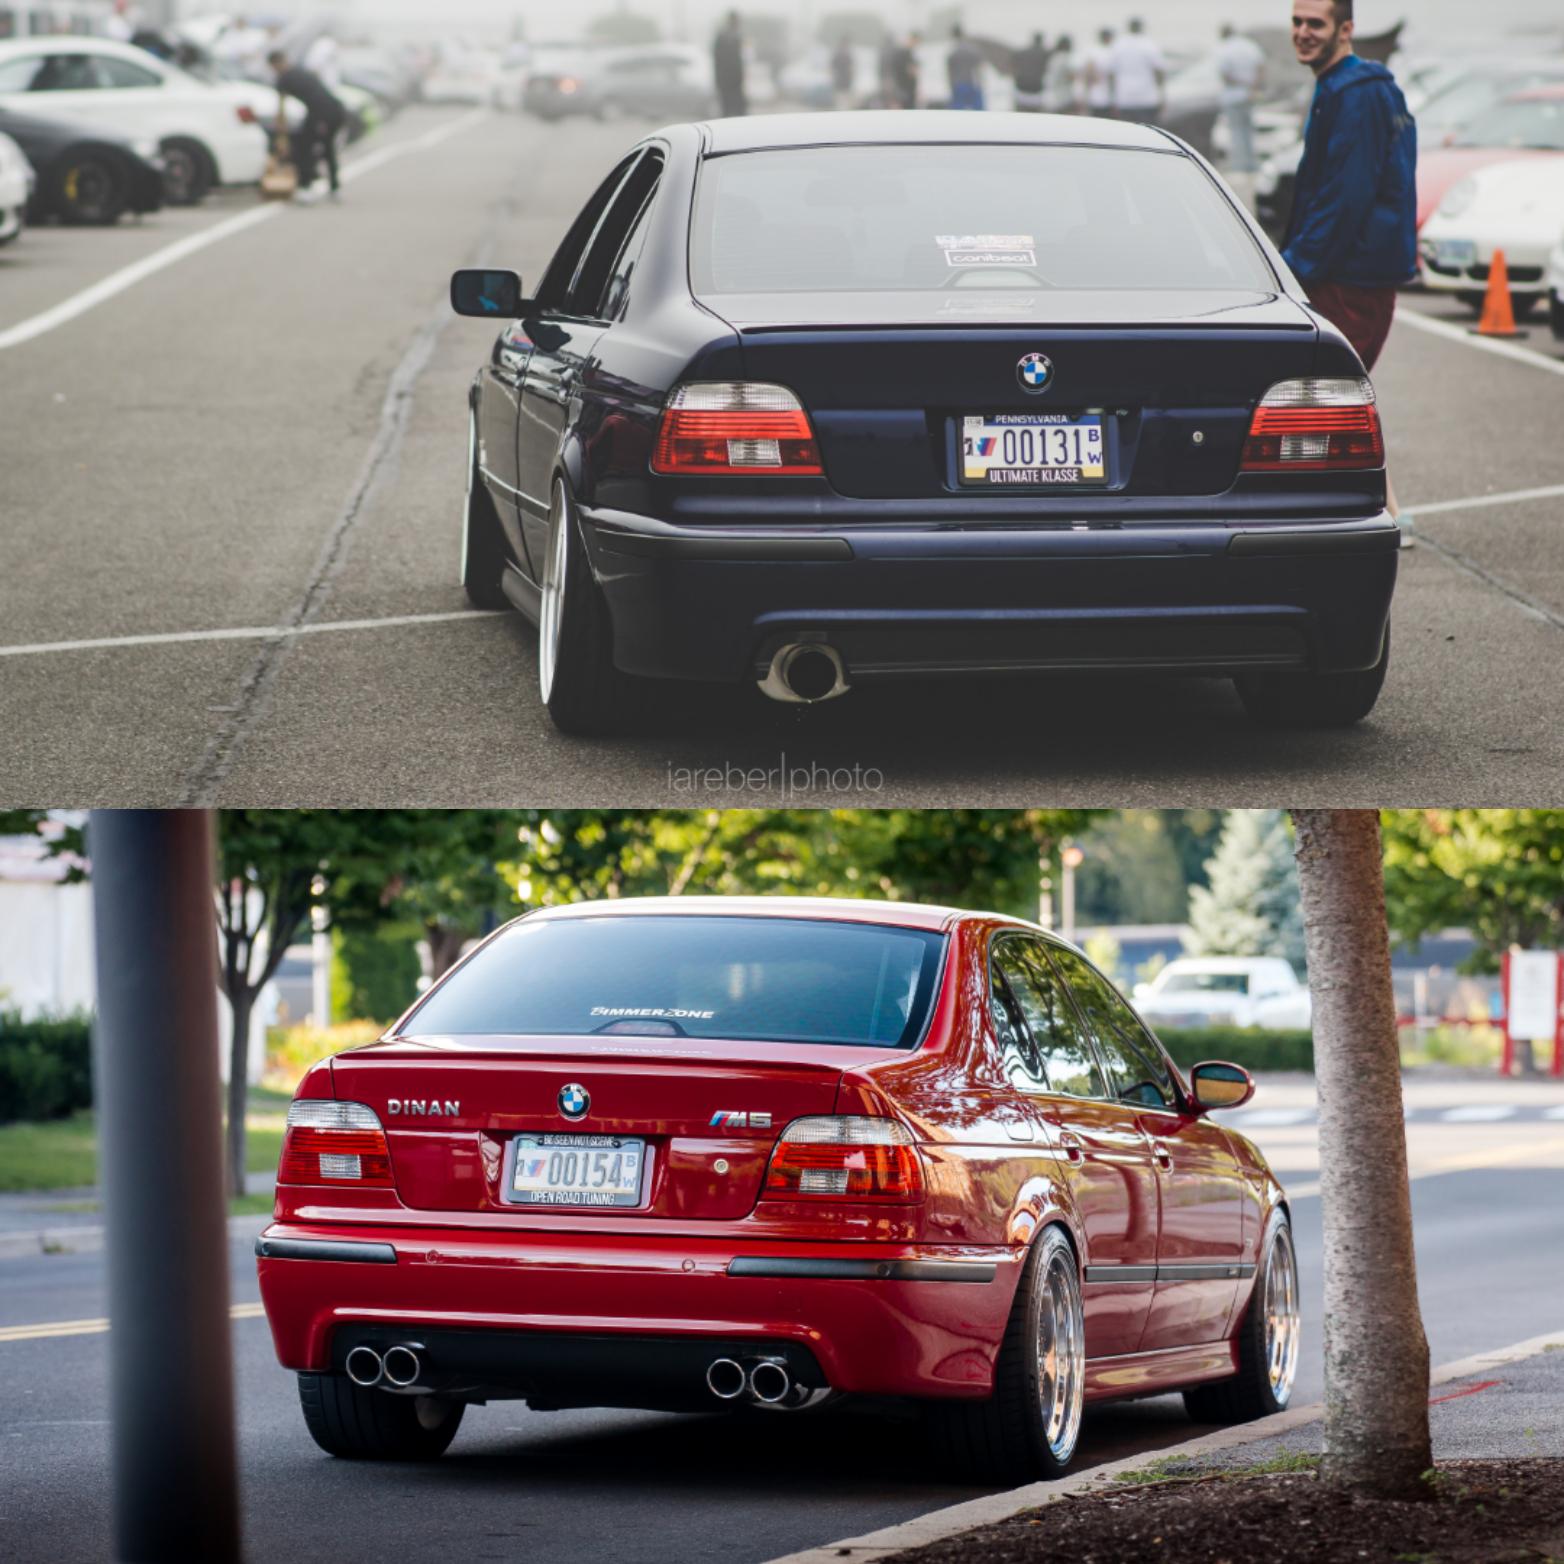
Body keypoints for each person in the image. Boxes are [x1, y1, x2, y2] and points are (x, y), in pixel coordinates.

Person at [1283, 0, 1417, 545]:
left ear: (1346, 29)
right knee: (1331, 394)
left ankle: (1383, 518)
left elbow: (1345, 197)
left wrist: (1291, 272)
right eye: (1296, 22)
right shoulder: (1344, 87)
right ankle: (1387, 510)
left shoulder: (1356, 93)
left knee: (1327, 395)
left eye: (1315, 24)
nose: (1302, 33)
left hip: (1352, 277)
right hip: (1353, 271)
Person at [269, 49, 346, 202]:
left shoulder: (284, 78)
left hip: (321, 115)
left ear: (274, 65)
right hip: (337, 110)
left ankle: (306, 187)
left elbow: (281, 107)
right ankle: (334, 188)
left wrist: (280, 131)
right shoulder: (301, 71)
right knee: (327, 149)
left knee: (304, 149)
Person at [1214, 24, 1267, 206]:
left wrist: (1242, 83)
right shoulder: (1249, 46)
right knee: (1248, 129)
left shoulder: (1225, 49)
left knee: (1236, 130)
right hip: (1250, 95)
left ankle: (1239, 164)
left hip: (1233, 95)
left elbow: (1224, 74)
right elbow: (1261, 66)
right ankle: (1251, 164)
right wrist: (1253, 86)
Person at [1107, 16, 1165, 121]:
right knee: (1148, 132)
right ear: (1141, 28)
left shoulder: (1118, 46)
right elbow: (1159, 72)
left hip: (1124, 98)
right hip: (1147, 98)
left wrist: (1112, 98)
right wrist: (1161, 96)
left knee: (1127, 133)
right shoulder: (1149, 45)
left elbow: (1111, 74)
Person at [713, 11, 748, 118]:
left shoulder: (737, 37)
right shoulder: (724, 37)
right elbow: (717, 59)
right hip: (727, 80)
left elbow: (742, 58)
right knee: (728, 110)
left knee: (736, 110)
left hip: (735, 80)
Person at [946, 23, 984, 111]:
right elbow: (980, 66)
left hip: (959, 84)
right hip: (974, 82)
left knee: (958, 111)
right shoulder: (974, 50)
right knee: (979, 112)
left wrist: (951, 86)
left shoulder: (953, 53)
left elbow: (950, 72)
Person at [1011, 31, 1048, 113]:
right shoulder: (1045, 54)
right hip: (1036, 92)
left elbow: (1013, 62)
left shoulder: (1022, 52)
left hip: (1021, 89)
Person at [1044, 33, 1078, 113]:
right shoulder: (1066, 58)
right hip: (1063, 96)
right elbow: (1071, 76)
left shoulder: (1054, 58)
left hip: (1052, 94)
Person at [1083, 27, 1114, 115]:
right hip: (1107, 96)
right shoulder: (1113, 51)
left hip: (1096, 96)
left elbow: (1088, 75)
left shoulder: (1093, 52)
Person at [887, 31, 920, 110]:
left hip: (908, 88)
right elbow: (901, 69)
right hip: (904, 88)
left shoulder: (910, 53)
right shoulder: (903, 53)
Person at [830, 35, 856, 110]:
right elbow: (832, 67)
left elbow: (852, 67)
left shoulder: (848, 54)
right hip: (840, 81)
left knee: (846, 100)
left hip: (846, 81)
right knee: (840, 101)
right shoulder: (837, 54)